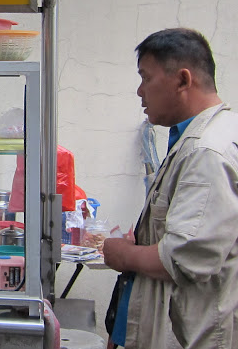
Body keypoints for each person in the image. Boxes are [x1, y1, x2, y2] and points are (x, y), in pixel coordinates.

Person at [102, 28, 238, 349]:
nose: (139, 91)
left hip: (197, 336)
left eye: (146, 78)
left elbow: (186, 257)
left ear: (182, 80)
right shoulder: (195, 138)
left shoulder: (207, 150)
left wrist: (124, 255)